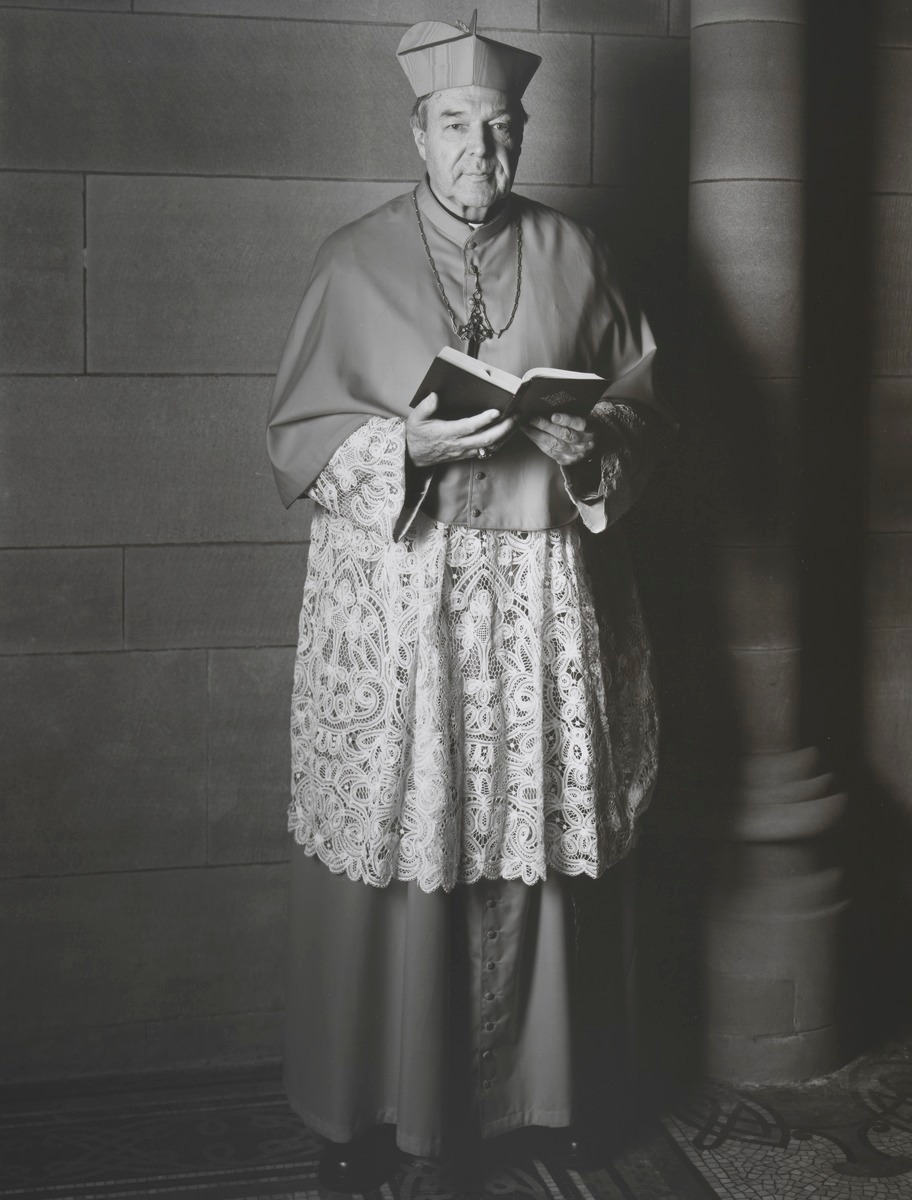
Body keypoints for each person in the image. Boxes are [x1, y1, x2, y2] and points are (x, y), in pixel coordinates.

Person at [266, 12, 674, 1191]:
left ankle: (549, 1096)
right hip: (412, 608)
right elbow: (298, 441)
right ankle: (373, 1107)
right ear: (418, 132)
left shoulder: (578, 253)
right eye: (456, 127)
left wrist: (593, 441)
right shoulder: (352, 260)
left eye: (499, 130)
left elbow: (644, 410)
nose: (479, 153)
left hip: (537, 605)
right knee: (406, 841)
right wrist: (405, 446)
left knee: (539, 840)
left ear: (522, 134)